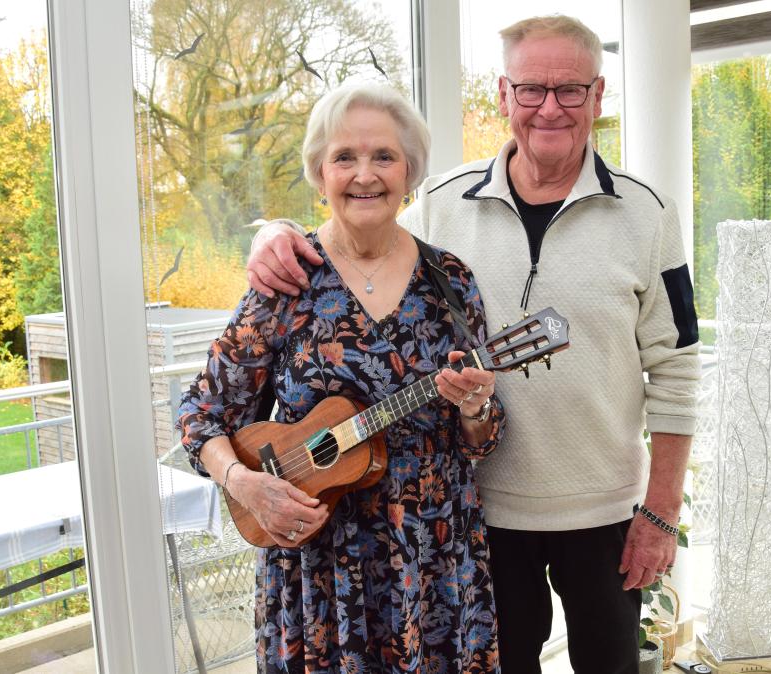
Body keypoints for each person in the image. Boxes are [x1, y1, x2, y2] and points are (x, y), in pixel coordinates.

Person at [246, 15, 700, 674]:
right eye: (531, 89)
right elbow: (353, 236)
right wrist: (274, 232)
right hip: (481, 515)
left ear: (598, 96)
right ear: (504, 94)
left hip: (604, 514)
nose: (550, 108)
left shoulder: (648, 214)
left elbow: (678, 370)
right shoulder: (442, 203)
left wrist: (660, 514)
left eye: (570, 89)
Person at [178, 82, 505, 674]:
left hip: (431, 562)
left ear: (409, 172)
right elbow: (203, 413)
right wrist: (245, 485)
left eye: (384, 156)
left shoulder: (451, 280)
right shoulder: (287, 279)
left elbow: (481, 441)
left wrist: (475, 409)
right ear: (320, 173)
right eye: (344, 157)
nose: (365, 175)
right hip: (320, 572)